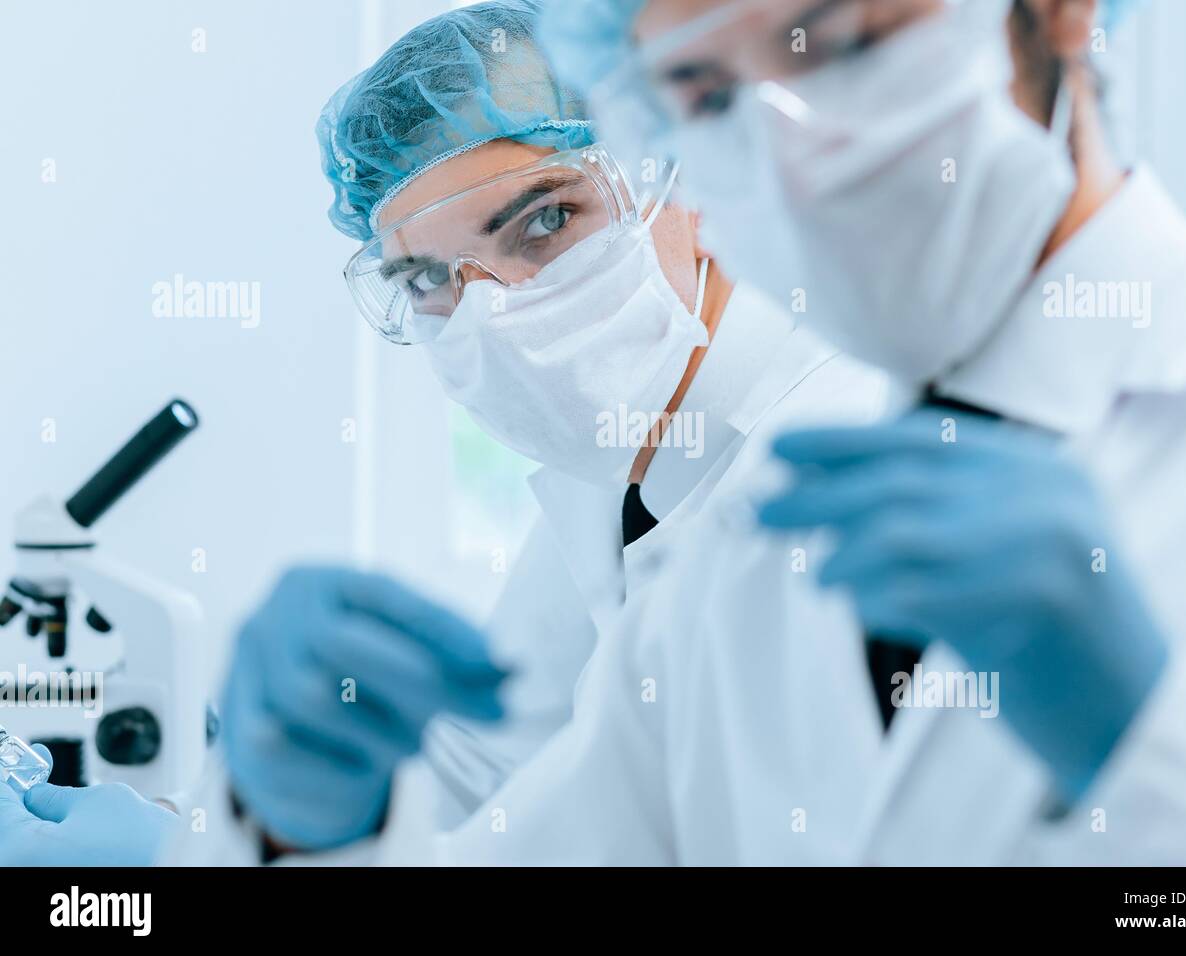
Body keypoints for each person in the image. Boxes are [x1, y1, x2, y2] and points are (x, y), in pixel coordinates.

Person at [0, 0, 889, 864]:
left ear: (686, 185)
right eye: (428, 276)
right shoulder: (614, 473)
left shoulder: (825, 475)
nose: (492, 316)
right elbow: (478, 775)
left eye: (546, 220)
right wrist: (219, 824)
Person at [528, 0, 1186, 863]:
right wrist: (360, 826)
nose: (788, 153)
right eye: (708, 99)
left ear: (1057, 15)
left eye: (843, 45)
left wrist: (1147, 747)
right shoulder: (743, 543)